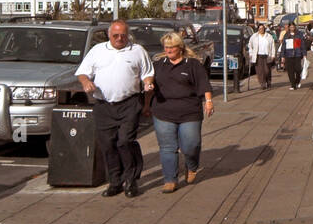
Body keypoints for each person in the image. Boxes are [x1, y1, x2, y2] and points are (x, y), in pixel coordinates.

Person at [76, 19, 155, 198]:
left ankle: (131, 180)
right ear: (109, 35)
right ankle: (115, 182)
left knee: (125, 141)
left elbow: (148, 74)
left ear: (128, 35)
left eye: (123, 35)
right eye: (115, 35)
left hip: (129, 103)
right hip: (104, 106)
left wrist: (148, 84)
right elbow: (82, 72)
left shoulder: (137, 51)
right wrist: (86, 81)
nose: (119, 39)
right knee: (108, 145)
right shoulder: (97, 51)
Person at [151, 31, 214, 192]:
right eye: (166, 47)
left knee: (191, 145)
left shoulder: (192, 64)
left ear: (180, 47)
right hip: (163, 112)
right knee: (167, 147)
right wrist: (146, 100)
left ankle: (191, 165)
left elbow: (203, 84)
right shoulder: (158, 64)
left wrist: (208, 101)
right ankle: (170, 179)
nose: (169, 50)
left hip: (189, 112)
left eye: (172, 47)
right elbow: (149, 84)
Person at [278, 22, 307, 90]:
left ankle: (297, 81)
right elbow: (283, 46)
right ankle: (293, 85)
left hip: (297, 54)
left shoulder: (299, 34)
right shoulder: (286, 35)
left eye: (293, 27)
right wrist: (282, 56)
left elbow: (302, 45)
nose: (292, 28)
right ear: (289, 28)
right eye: (290, 27)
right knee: (290, 71)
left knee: (298, 69)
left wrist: (304, 54)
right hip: (288, 55)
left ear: (295, 27)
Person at [249, 23, 275, 90]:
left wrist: (273, 55)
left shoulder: (269, 36)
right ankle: (262, 84)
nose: (261, 30)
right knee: (260, 71)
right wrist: (251, 53)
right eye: (260, 28)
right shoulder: (254, 36)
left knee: (267, 71)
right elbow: (250, 45)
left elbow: (272, 46)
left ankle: (268, 82)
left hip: (267, 55)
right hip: (258, 56)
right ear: (258, 29)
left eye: (262, 28)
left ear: (264, 29)